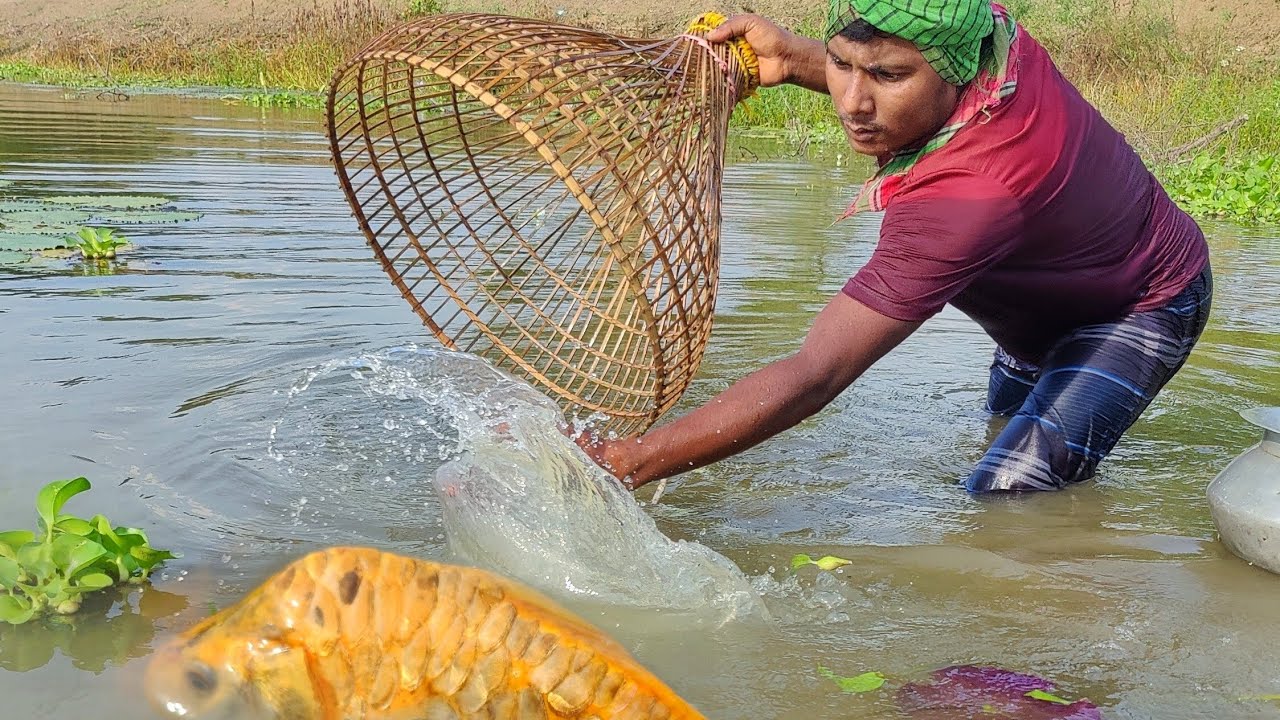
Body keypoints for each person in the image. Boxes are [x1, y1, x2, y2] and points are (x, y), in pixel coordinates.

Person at [576, 0, 1212, 493]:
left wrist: (628, 459)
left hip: (1141, 303)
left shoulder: (968, 197)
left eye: (885, 77)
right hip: (1043, 298)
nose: (852, 103)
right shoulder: (985, 33)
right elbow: (892, 59)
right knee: (1009, 437)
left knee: (1012, 493)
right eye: (840, 64)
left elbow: (817, 373)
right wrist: (793, 59)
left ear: (954, 72)